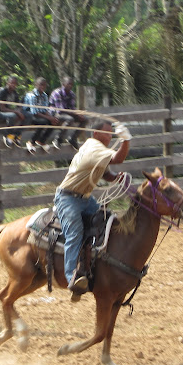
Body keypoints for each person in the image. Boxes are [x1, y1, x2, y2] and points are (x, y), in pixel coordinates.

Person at [54, 120, 131, 300]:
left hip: (84, 198)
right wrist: (126, 140)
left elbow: (103, 171)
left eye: (112, 133)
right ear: (96, 134)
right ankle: (71, 277)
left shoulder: (92, 148)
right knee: (75, 232)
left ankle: (99, 263)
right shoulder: (95, 147)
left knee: (107, 219)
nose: (110, 136)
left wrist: (115, 178)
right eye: (107, 133)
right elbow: (118, 159)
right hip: (68, 198)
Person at [49, 76, 88, 150]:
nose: (70, 86)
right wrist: (75, 114)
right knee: (70, 119)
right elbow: (60, 110)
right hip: (56, 113)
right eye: (68, 84)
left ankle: (73, 138)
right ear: (63, 84)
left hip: (67, 113)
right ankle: (58, 139)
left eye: (71, 84)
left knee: (85, 119)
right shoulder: (57, 93)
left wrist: (78, 114)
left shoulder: (71, 94)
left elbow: (72, 107)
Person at [22, 77, 59, 153]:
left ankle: (42, 140)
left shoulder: (44, 95)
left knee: (53, 122)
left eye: (44, 85)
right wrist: (49, 118)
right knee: (43, 122)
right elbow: (34, 112)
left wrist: (51, 118)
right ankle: (31, 142)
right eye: (41, 85)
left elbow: (44, 110)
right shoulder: (32, 95)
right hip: (28, 114)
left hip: (39, 114)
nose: (42, 87)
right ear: (36, 85)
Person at [0, 75, 25, 148]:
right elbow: (2, 108)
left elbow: (19, 105)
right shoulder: (2, 92)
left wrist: (19, 111)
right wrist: (17, 112)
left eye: (15, 83)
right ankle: (8, 135)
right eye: (11, 83)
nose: (13, 85)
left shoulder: (15, 93)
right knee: (13, 115)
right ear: (7, 83)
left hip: (8, 112)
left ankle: (17, 134)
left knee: (28, 115)